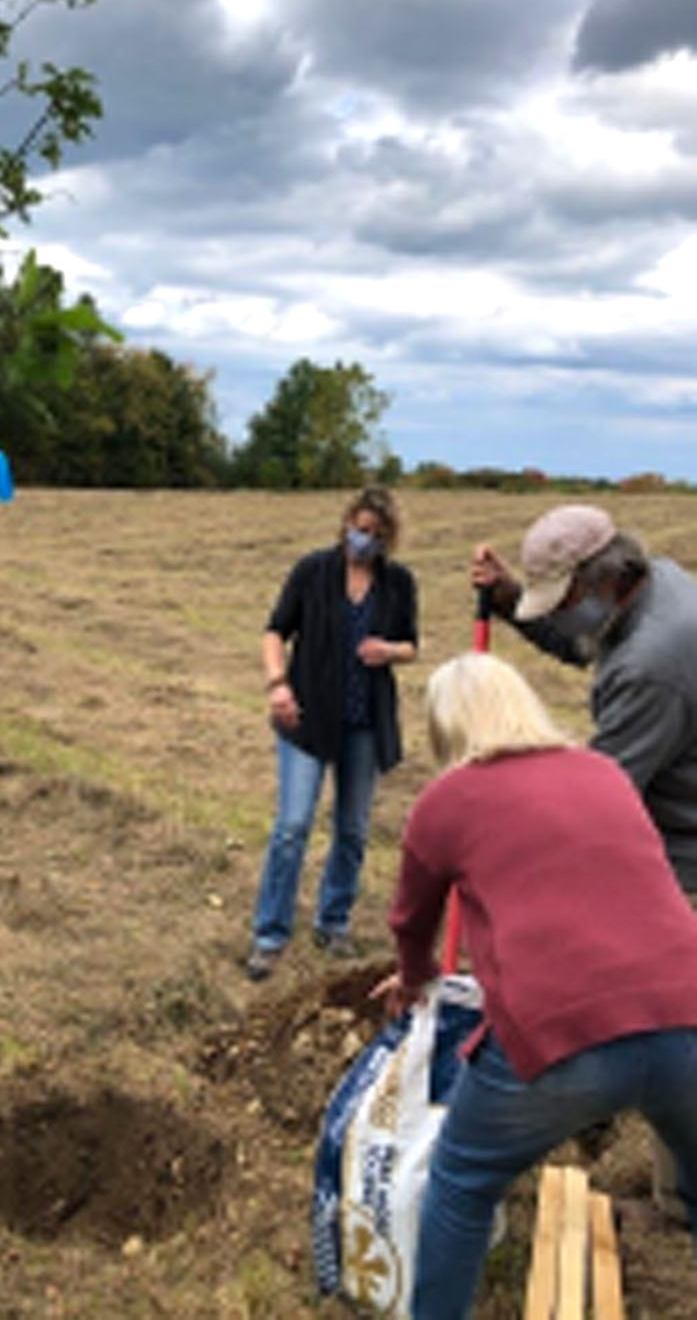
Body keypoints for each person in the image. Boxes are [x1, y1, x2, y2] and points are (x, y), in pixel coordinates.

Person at [379, 652, 697, 1320]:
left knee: (463, 1182)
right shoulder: (603, 772)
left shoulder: (448, 799)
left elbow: (411, 920)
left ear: (445, 728)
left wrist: (413, 981)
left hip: (558, 1038)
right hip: (683, 1013)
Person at [471, 501, 697, 1221]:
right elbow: (581, 642)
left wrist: (503, 851)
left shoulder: (653, 665)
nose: (562, 618)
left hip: (686, 856)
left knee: (677, 1025)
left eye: (558, 602)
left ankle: (679, 1202)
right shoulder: (649, 583)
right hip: (673, 821)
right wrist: (511, 603)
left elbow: (597, 805)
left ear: (602, 579)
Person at [246, 485, 418, 981]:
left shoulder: (398, 583)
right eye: (359, 529)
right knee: (292, 827)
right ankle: (269, 934)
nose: (364, 540)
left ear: (389, 539)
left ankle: (333, 922)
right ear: (346, 524)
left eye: (376, 534)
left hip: (364, 724)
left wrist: (389, 651)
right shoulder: (312, 571)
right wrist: (277, 684)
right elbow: (276, 630)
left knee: (353, 830)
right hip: (305, 718)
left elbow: (412, 644)